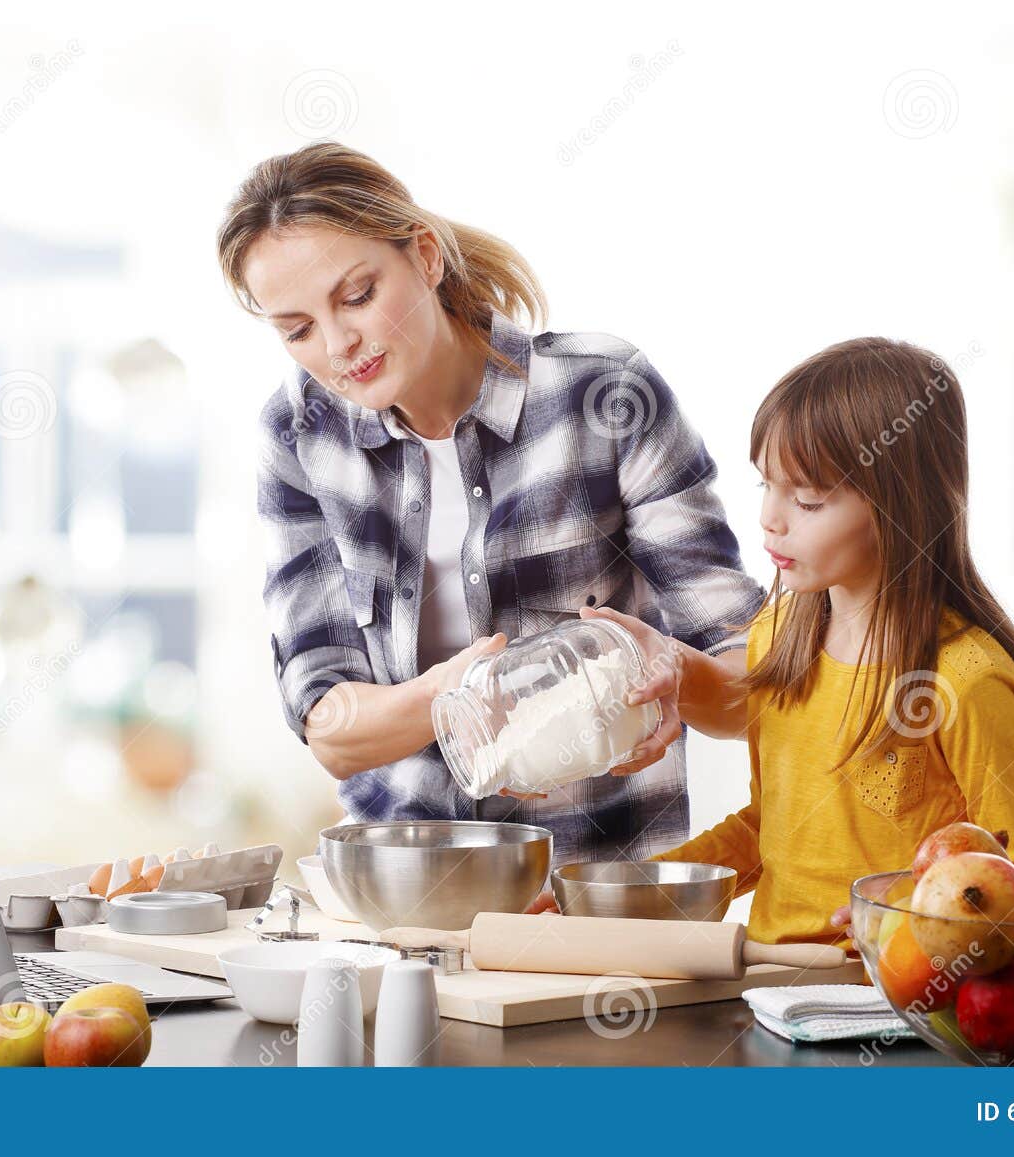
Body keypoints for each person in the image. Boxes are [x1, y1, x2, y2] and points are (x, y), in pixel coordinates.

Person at [217, 142, 764, 862]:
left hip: (593, 902)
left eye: (357, 295)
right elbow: (332, 729)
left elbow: (753, 677)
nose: (340, 342)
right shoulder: (300, 434)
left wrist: (677, 675)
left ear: (425, 255)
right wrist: (457, 693)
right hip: (403, 894)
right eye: (297, 329)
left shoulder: (602, 395)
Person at [549, 337, 1014, 942]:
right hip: (770, 993)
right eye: (767, 484)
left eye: (808, 500)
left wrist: (904, 905)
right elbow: (770, 831)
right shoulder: (777, 642)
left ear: (902, 508)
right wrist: (626, 892)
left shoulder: (966, 679)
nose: (771, 517)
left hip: (889, 1005)